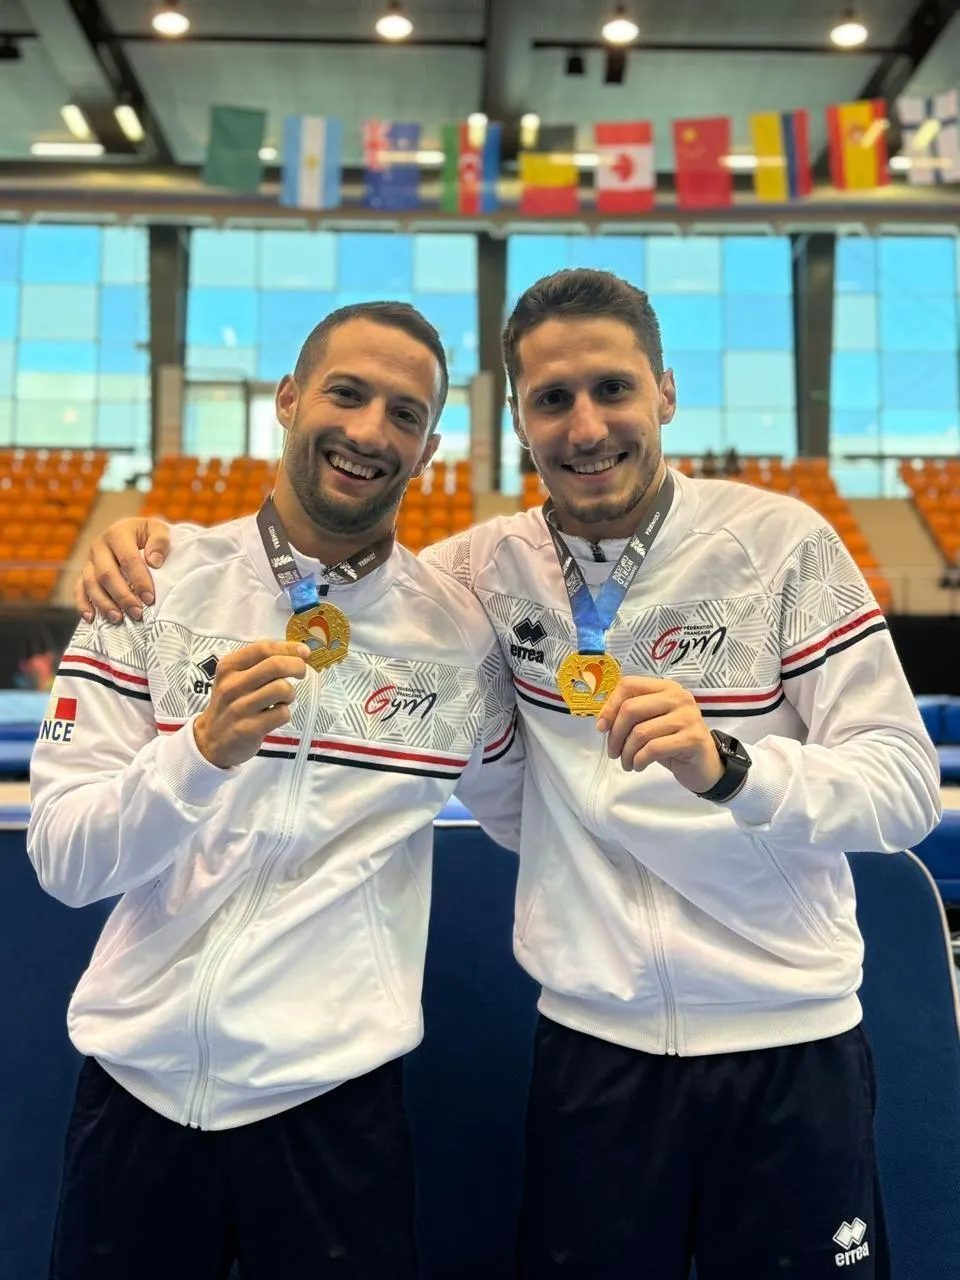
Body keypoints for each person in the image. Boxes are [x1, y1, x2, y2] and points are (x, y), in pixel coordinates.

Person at [82, 268, 941, 1280]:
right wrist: (150, 544)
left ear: (664, 392)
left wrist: (733, 768)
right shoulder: (478, 574)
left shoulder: (782, 544)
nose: (586, 426)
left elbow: (903, 785)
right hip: (595, 1046)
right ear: (519, 423)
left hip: (791, 1039)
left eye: (612, 389)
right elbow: (333, 561)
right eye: (551, 399)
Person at [30, 301, 523, 1280]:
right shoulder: (152, 587)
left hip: (333, 1114)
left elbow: (537, 812)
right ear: (290, 400)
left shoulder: (460, 638)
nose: (370, 430)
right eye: (347, 392)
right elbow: (65, 861)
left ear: (427, 449)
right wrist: (198, 755)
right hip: (139, 1097)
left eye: (405, 413)